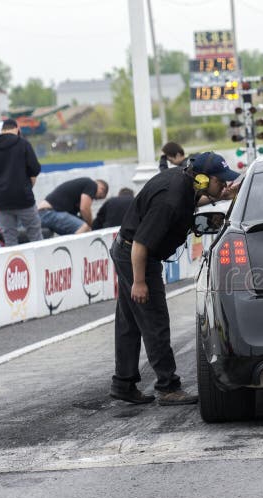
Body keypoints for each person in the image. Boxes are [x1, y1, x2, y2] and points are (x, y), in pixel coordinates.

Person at [110, 152, 240, 405]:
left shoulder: (184, 181)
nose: (224, 185)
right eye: (220, 181)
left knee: (129, 322)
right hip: (136, 256)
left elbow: (191, 200)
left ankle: (123, 384)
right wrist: (139, 282)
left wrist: (219, 196)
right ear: (202, 178)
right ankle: (168, 387)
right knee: (154, 320)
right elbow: (139, 243)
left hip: (128, 250)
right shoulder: (169, 200)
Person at [0, 119, 43, 246]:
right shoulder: (23, 144)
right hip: (24, 199)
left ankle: (14, 265)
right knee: (36, 236)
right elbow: (34, 171)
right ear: (17, 129)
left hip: (1, 201)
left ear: (2, 130)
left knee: (10, 240)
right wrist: (27, 188)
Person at [38, 177, 108, 234]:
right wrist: (92, 226)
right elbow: (84, 209)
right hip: (47, 212)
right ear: (102, 189)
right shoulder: (92, 184)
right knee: (84, 228)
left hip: (43, 214)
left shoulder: (77, 196)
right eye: (99, 197)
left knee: (78, 228)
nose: (95, 199)